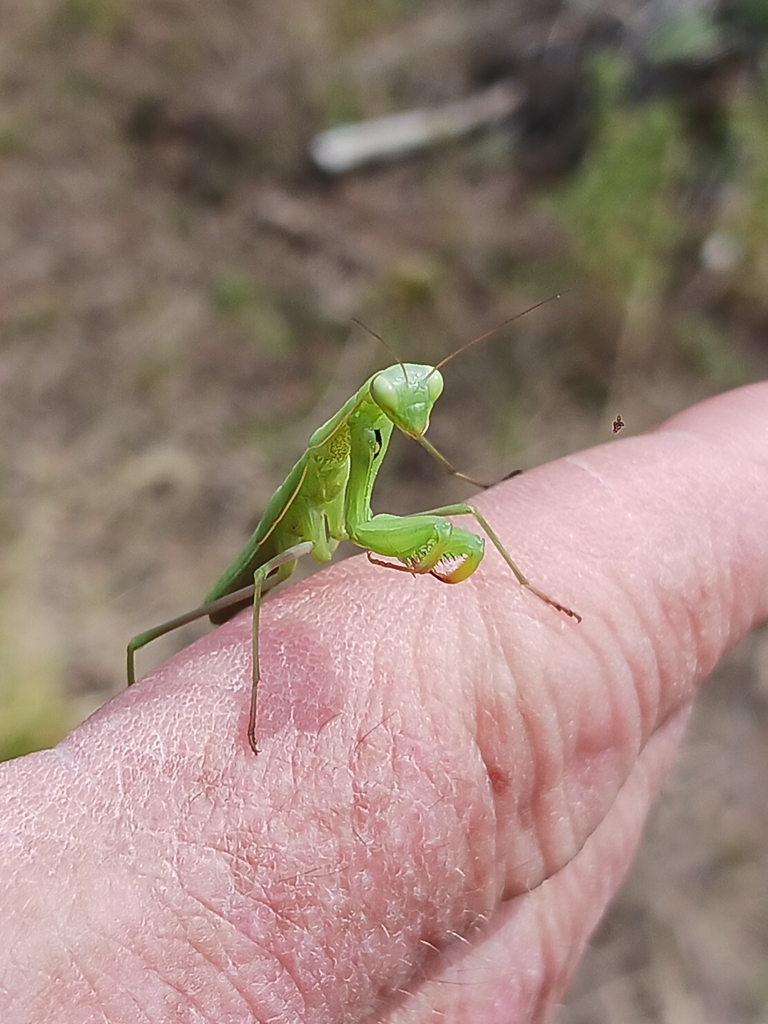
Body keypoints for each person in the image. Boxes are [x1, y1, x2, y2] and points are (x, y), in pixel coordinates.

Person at [1, 382, 766, 1024]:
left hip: (310, 545)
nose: (416, 423)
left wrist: (468, 495)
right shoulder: (335, 449)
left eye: (422, 408)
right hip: (244, 586)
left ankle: (530, 585)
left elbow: (365, 522)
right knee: (150, 637)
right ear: (377, 406)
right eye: (410, 409)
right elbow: (340, 536)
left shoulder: (369, 433)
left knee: (469, 517)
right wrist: (257, 695)